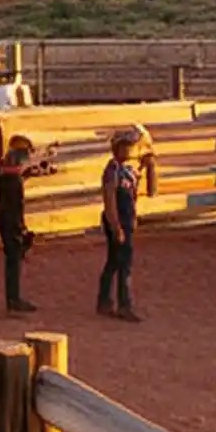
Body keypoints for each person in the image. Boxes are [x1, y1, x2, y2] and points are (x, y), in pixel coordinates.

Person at [97, 127, 146, 322]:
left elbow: (146, 191)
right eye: (126, 146)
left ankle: (105, 300)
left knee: (115, 262)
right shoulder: (112, 171)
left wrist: (149, 167)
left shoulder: (128, 171)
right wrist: (116, 226)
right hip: (117, 221)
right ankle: (123, 304)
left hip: (125, 220)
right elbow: (109, 200)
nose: (130, 150)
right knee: (123, 263)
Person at [0, 144, 37, 313]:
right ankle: (14, 299)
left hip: (3, 221)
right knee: (14, 260)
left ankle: (12, 298)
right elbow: (18, 207)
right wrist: (22, 228)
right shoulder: (15, 181)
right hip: (12, 223)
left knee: (11, 259)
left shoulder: (1, 177)